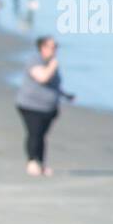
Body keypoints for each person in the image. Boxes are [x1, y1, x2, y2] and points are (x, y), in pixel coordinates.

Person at [14, 35, 75, 177]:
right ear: (42, 47)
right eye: (51, 46)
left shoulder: (50, 62)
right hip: (31, 105)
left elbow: (54, 85)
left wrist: (65, 95)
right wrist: (53, 66)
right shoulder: (35, 60)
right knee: (34, 133)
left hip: (49, 108)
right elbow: (42, 78)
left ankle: (41, 164)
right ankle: (32, 162)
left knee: (42, 136)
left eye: (56, 47)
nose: (54, 50)